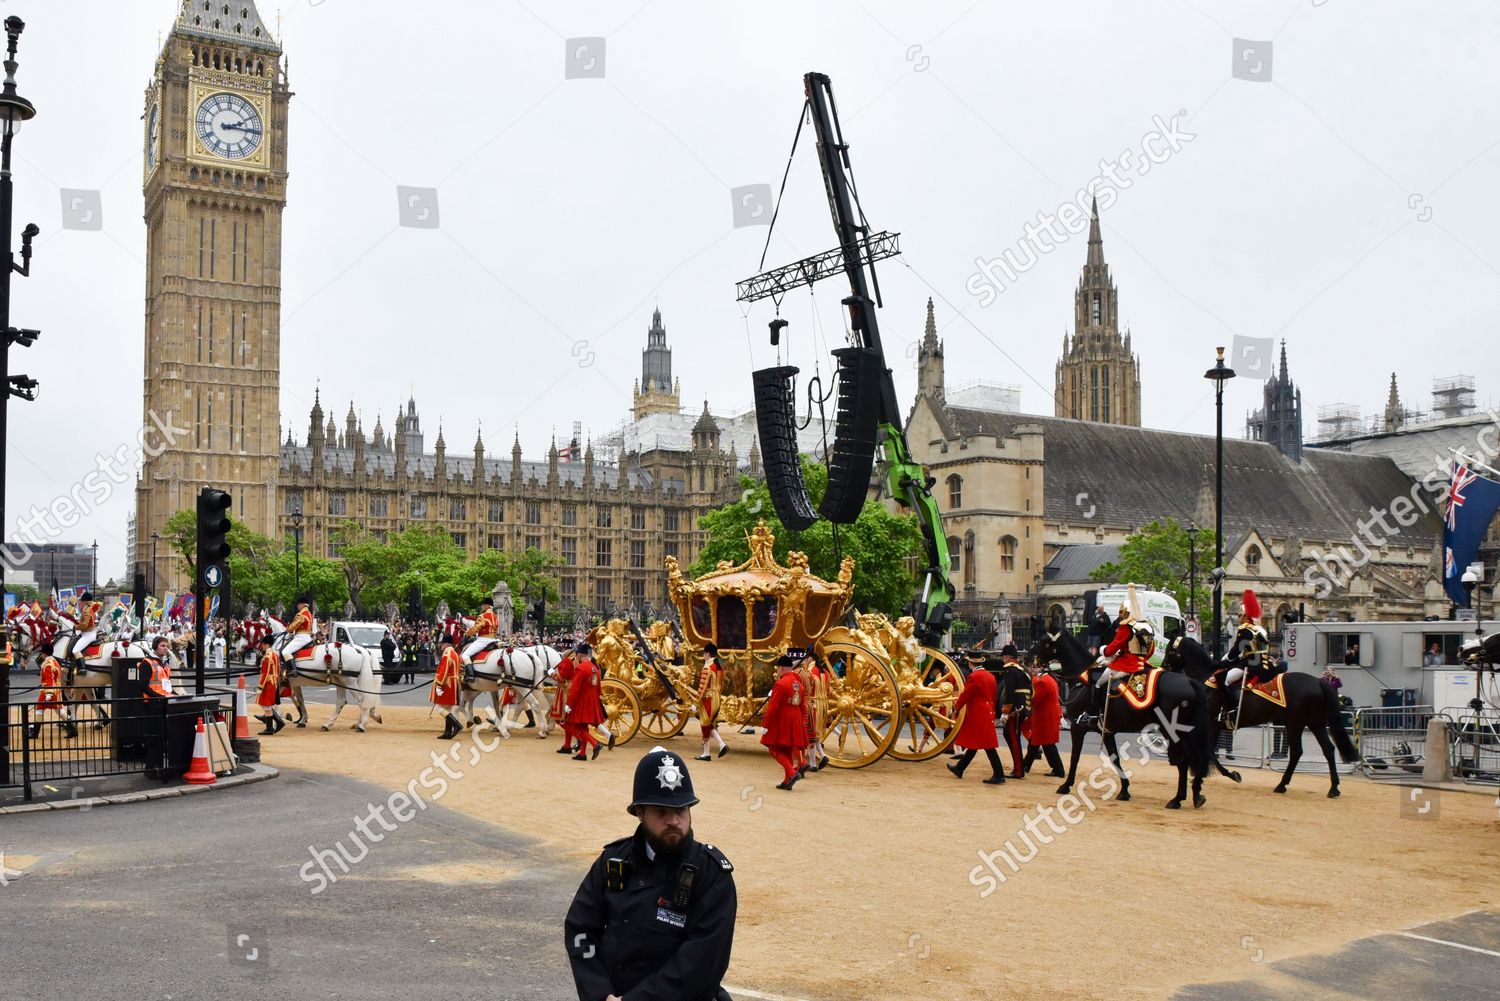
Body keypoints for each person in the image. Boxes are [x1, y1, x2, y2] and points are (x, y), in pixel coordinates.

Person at [564, 748, 736, 1001]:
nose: (674, 820)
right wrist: (599, 992)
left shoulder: (711, 874)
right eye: (662, 812)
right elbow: (580, 929)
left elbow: (702, 961)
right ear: (640, 813)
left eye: (681, 810)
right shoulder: (614, 860)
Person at [1078, 587, 1153, 730]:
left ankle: (1093, 716)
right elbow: (1150, 650)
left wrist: (1103, 649)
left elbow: (1111, 649)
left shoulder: (1125, 627)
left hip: (1126, 664)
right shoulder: (1146, 626)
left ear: (1124, 612)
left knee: (1098, 682)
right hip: (1142, 663)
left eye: (1121, 612)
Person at [947, 650, 1005, 784]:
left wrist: (957, 707)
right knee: (975, 743)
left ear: (970, 663)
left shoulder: (974, 677)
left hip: (978, 713)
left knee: (988, 746)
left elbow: (966, 695)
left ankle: (999, 774)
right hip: (988, 711)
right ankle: (960, 768)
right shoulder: (990, 676)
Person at [760, 654, 806, 790]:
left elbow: (773, 706)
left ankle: (791, 773)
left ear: (781, 668)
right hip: (796, 717)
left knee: (773, 748)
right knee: (786, 749)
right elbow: (802, 706)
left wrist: (765, 725)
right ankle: (787, 780)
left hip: (783, 719)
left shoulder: (780, 683)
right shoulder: (799, 684)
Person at [1021, 657, 1065, 777]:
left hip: (1045, 716)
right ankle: (1025, 765)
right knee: (1035, 742)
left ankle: (1058, 769)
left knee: (1048, 744)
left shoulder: (1042, 681)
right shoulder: (1048, 679)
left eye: (1033, 667)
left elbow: (1034, 699)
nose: (1031, 669)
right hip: (1046, 715)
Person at [996, 645, 1032, 778]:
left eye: (1004, 657)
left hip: (1015, 708)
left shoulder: (1011, 670)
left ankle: (1018, 770)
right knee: (1008, 733)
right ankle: (1019, 766)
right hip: (1024, 706)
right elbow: (1031, 691)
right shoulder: (1024, 669)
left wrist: (1005, 711)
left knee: (1013, 737)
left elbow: (1010, 692)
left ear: (1007, 657)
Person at [568, 642, 607, 761]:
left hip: (582, 702)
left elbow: (575, 689)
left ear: (580, 655)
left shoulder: (580, 668)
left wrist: (569, 704)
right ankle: (582, 753)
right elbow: (599, 687)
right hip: (593, 700)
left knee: (577, 726)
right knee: (584, 727)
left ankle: (595, 744)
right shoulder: (595, 668)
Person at [693, 643, 728, 762]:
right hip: (717, 698)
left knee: (704, 724)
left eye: (704, 653)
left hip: (708, 699)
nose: (703, 655)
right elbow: (721, 685)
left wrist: (696, 703)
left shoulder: (707, 667)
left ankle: (707, 753)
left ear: (708, 653)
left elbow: (702, 688)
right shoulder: (719, 667)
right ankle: (720, 745)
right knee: (709, 725)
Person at [30, 651, 77, 739]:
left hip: (48, 691)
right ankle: (73, 730)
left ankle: (35, 733)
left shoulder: (48, 664)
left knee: (39, 710)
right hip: (56, 691)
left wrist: (48, 694)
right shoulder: (54, 661)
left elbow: (49, 680)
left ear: (44, 653)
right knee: (61, 712)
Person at [432, 639, 464, 740]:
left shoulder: (447, 654)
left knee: (439, 708)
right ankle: (448, 732)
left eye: (442, 644)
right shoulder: (456, 654)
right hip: (455, 683)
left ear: (446, 644)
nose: (441, 646)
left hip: (447, 683)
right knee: (448, 709)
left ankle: (457, 725)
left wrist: (439, 685)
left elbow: (443, 670)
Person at [254, 635, 286, 735]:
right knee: (268, 705)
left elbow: (266, 673)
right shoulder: (275, 655)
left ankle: (271, 727)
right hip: (274, 682)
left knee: (266, 705)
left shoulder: (268, 656)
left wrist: (261, 686)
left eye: (263, 644)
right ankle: (277, 723)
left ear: (266, 644)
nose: (262, 646)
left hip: (268, 683)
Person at [804, 652, 829, 771]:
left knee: (810, 734)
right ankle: (822, 755)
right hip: (823, 704)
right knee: (815, 733)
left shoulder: (810, 671)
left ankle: (813, 764)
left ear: (810, 658)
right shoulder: (825, 672)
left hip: (813, 704)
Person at [554, 646, 579, 754]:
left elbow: (560, 678)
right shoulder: (577, 661)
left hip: (565, 691)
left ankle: (579, 738)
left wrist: (551, 673)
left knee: (559, 719)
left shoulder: (567, 661)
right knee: (567, 720)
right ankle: (567, 745)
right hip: (573, 689)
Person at [67, 590, 103, 666]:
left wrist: (74, 627)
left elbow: (84, 625)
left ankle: (82, 668)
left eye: (82, 601)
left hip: (88, 635)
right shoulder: (90, 608)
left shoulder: (86, 611)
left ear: (85, 602)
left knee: (75, 651)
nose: (80, 602)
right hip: (88, 633)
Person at [279, 596, 316, 665]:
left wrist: (287, 629)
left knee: (285, 652)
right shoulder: (310, 614)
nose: (297, 606)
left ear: (302, 604)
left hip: (301, 637)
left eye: (298, 604)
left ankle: (293, 670)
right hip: (307, 637)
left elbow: (293, 627)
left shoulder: (301, 615)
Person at [462, 597, 499, 665]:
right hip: (494, 640)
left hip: (483, 640)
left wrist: (467, 633)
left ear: (487, 606)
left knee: (465, 655)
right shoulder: (496, 616)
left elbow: (475, 629)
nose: (482, 606)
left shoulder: (482, 616)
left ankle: (471, 675)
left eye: (483, 605)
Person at [143, 635, 176, 700]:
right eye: (162, 646)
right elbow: (143, 686)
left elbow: (167, 685)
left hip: (164, 700)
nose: (166, 648)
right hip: (152, 701)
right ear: (155, 647)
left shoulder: (165, 664)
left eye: (167, 646)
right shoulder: (147, 662)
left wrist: (177, 695)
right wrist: (160, 697)